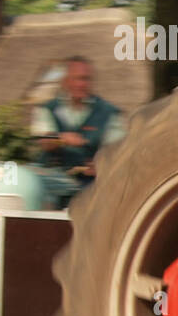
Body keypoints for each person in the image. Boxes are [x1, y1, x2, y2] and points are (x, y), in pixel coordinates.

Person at [31, 56, 124, 205]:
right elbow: (44, 140)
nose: (81, 84)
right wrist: (63, 138)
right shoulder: (48, 109)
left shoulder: (108, 112)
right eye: (77, 79)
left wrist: (101, 164)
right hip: (53, 182)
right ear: (65, 81)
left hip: (91, 184)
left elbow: (117, 149)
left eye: (86, 79)